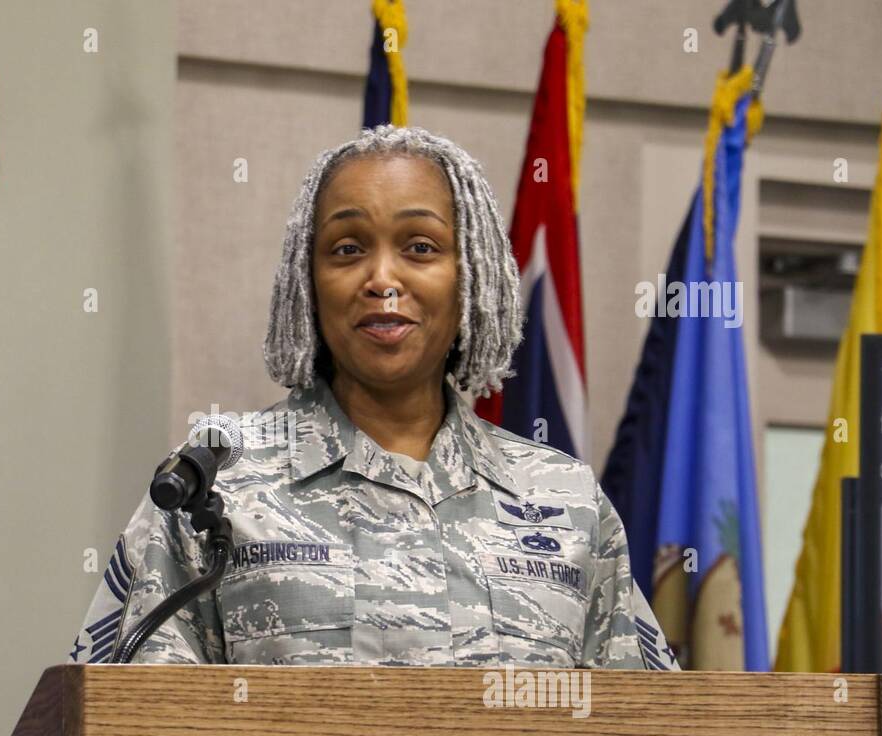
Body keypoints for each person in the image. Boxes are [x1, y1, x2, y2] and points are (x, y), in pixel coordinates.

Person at [72, 124, 678, 671]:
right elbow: (124, 726)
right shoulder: (216, 481)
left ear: (472, 276)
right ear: (307, 281)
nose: (382, 280)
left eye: (420, 247)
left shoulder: (566, 498)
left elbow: (644, 735)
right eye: (347, 249)